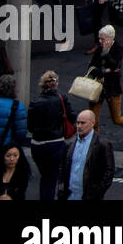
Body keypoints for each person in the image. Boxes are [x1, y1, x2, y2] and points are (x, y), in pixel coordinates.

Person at [27, 70, 73, 200]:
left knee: (45, 176)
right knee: (51, 177)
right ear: (56, 84)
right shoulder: (61, 99)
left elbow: (30, 127)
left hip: (37, 145)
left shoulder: (35, 102)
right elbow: (72, 117)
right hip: (55, 142)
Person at [92, 25, 123, 146]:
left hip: (112, 88)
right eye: (99, 38)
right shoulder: (98, 49)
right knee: (93, 121)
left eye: (102, 39)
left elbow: (115, 66)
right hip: (97, 87)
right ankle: (95, 144)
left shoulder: (118, 48)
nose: (100, 41)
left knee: (116, 119)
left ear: (110, 38)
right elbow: (92, 67)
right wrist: (105, 71)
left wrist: (106, 53)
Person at [58, 109, 114, 201]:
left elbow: (109, 171)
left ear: (92, 123)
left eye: (83, 123)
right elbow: (62, 167)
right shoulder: (70, 143)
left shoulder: (102, 145)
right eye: (78, 123)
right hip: (70, 195)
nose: (79, 126)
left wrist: (98, 192)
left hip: (90, 196)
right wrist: (61, 187)